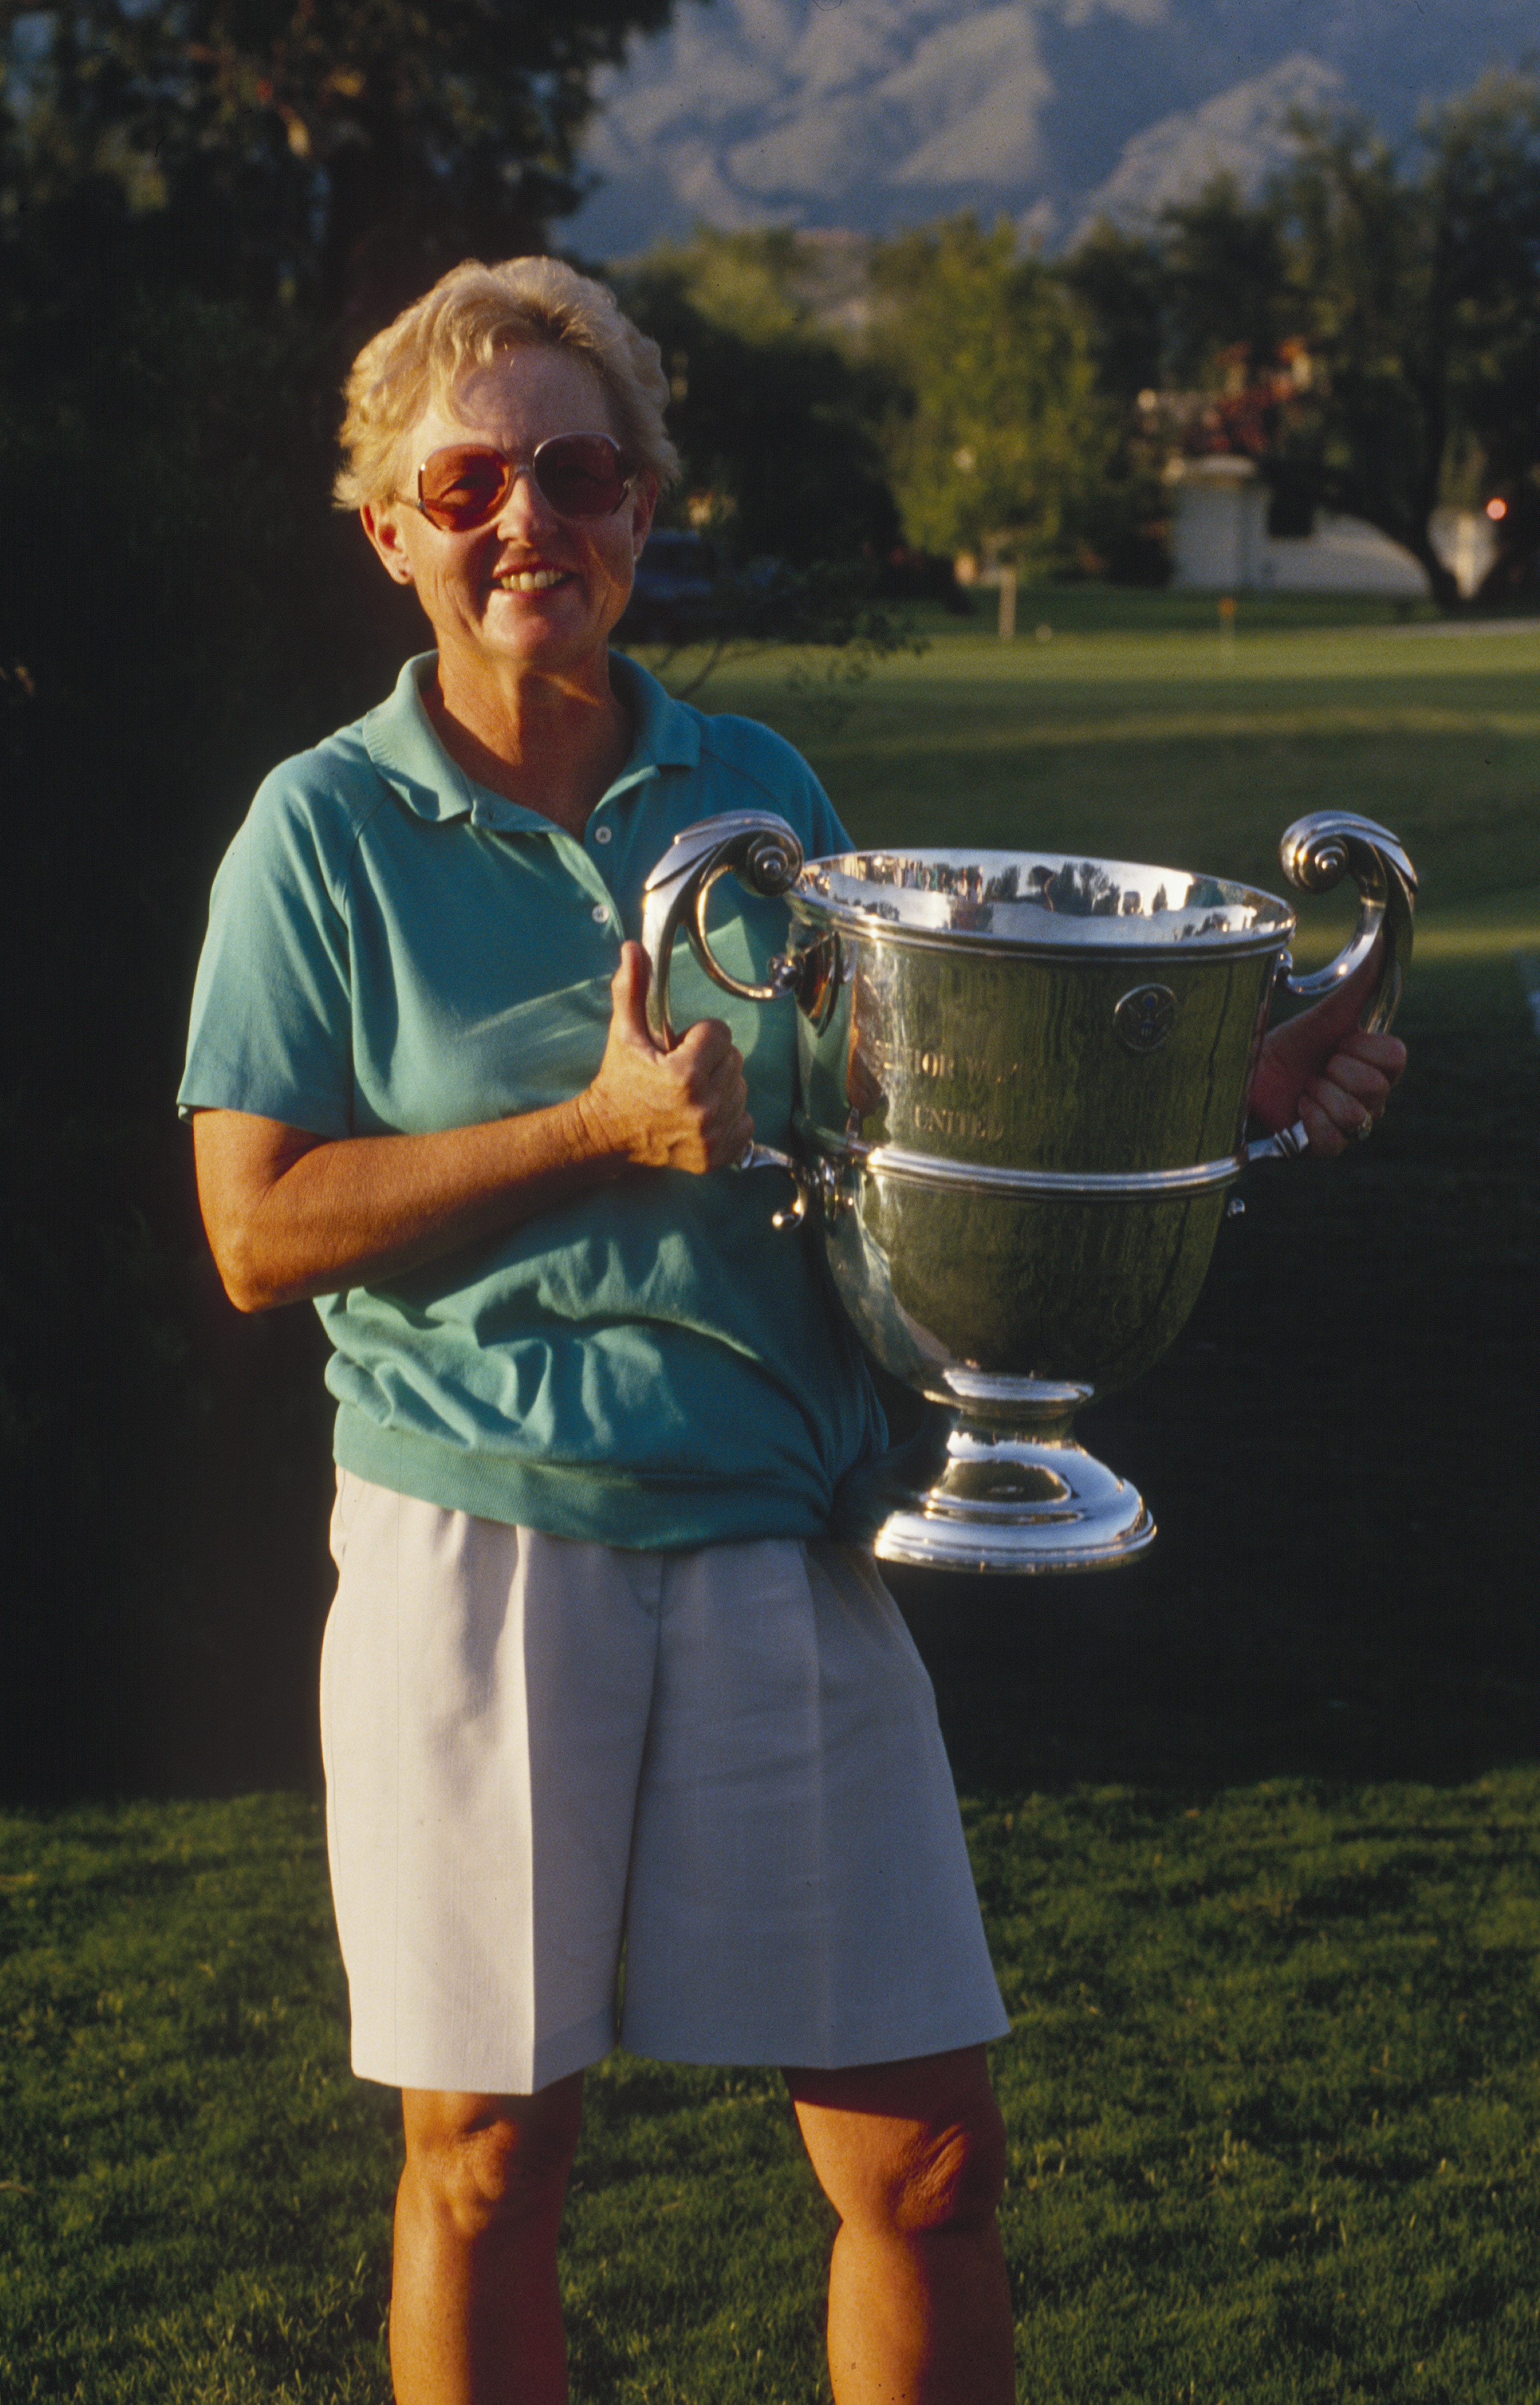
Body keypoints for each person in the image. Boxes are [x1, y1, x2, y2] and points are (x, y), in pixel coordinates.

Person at [179, 256, 1406, 2405]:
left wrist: (1223, 1091)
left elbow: (903, 1121)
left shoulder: (757, 789)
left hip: (784, 1523)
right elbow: (257, 1228)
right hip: (483, 1557)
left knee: (925, 2157)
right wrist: (593, 1127)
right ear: (390, 528)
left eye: (577, 470)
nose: (525, 521)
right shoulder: (326, 833)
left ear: (646, 508)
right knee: (487, 2163)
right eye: (468, 481)